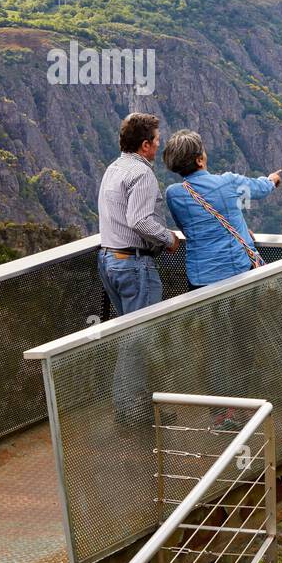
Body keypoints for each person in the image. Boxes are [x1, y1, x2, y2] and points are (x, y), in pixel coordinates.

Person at [97, 112, 180, 428]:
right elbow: (140, 220)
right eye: (156, 140)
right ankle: (131, 411)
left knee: (131, 338)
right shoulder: (142, 174)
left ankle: (135, 406)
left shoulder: (114, 168)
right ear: (145, 145)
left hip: (110, 260)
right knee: (138, 341)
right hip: (134, 265)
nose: (159, 145)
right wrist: (169, 238)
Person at [162, 130, 282, 289]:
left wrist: (240, 229)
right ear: (199, 160)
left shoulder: (173, 194)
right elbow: (260, 189)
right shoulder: (228, 182)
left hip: (200, 279)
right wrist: (271, 180)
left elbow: (188, 229)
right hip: (237, 272)